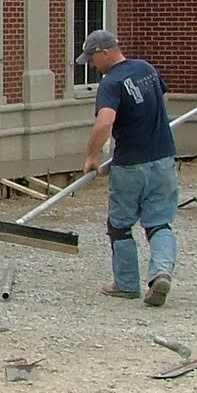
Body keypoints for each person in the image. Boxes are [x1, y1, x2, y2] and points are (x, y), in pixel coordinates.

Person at [77, 29, 177, 307]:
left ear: (105, 52)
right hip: (163, 159)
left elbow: (105, 122)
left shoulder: (111, 83)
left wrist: (91, 157)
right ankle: (161, 274)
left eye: (92, 59)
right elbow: (162, 100)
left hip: (131, 165)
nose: (92, 66)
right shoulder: (146, 69)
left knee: (120, 226)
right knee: (159, 223)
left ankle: (126, 284)